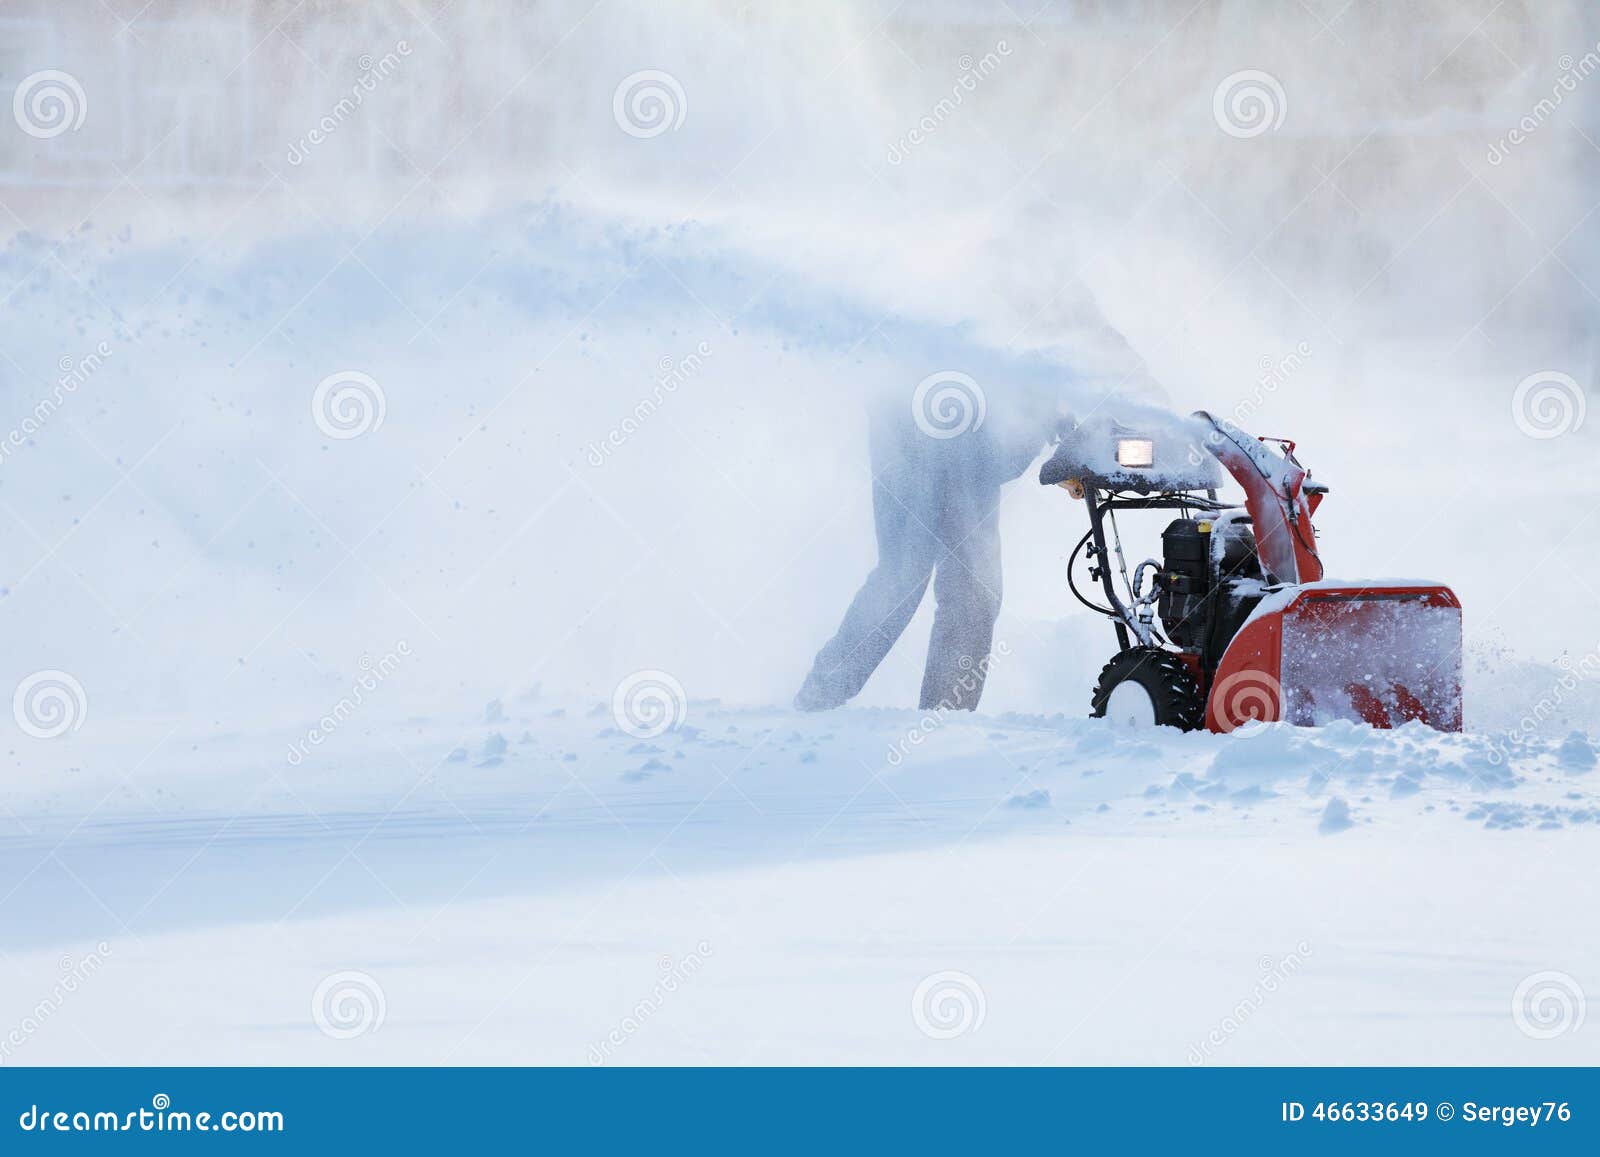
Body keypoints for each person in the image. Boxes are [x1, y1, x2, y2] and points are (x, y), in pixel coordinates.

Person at [794, 379, 1056, 713]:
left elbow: (1065, 339)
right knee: (904, 573)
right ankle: (818, 699)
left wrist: (1050, 417)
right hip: (911, 423)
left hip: (976, 433)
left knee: (973, 588)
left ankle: (943, 720)